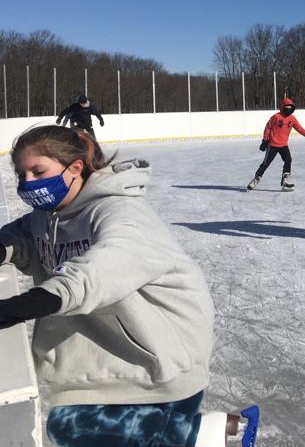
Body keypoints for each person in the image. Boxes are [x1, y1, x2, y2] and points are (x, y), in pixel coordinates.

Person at [0, 125, 218, 446]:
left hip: (156, 358)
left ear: (75, 168)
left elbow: (102, 270)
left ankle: (204, 436)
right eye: (22, 175)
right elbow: (23, 237)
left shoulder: (122, 213)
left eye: (38, 171)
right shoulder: (47, 214)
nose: (28, 183)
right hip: (106, 358)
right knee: (68, 426)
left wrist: (22, 306)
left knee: (69, 427)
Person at [247, 97, 305, 191]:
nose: (288, 109)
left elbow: (300, 129)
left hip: (283, 145)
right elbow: (268, 127)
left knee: (288, 160)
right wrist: (265, 141)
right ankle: (256, 179)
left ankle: (284, 181)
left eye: (290, 107)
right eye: (286, 107)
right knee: (266, 163)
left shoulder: (292, 119)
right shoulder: (276, 117)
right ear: (282, 107)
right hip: (272, 145)